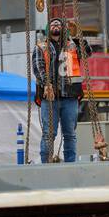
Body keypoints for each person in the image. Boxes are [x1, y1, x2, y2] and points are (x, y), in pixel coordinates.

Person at [32, 16, 91, 163]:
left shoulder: (72, 45)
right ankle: (45, 163)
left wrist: (77, 37)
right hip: (50, 98)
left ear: (64, 29)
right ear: (48, 30)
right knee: (48, 134)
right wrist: (47, 84)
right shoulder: (41, 46)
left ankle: (71, 163)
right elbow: (38, 68)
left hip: (69, 96)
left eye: (59, 24)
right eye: (52, 24)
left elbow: (87, 53)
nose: (55, 25)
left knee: (70, 134)